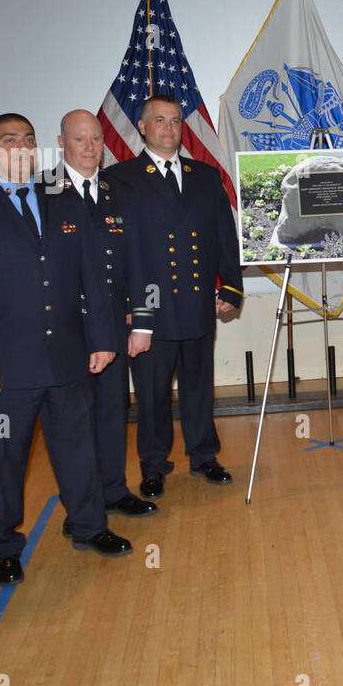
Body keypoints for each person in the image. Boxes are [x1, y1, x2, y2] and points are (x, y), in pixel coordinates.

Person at [0, 113, 129, 587]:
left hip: (69, 358)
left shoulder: (65, 202)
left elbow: (93, 275)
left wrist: (103, 339)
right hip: (4, 371)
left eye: (28, 139)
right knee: (4, 462)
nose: (21, 148)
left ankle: (90, 525)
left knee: (79, 452)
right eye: (9, 141)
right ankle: (4, 548)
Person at [102, 94, 244, 500]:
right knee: (152, 393)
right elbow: (118, 251)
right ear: (142, 127)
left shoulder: (204, 176)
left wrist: (231, 285)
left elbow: (223, 236)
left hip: (197, 302)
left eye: (176, 121)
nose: (169, 128)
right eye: (159, 121)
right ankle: (153, 464)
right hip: (150, 308)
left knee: (200, 386)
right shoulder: (121, 179)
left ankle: (204, 456)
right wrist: (130, 308)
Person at [46, 109, 156, 520]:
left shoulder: (119, 192)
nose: (90, 148)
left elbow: (141, 262)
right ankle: (83, 505)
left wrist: (142, 321)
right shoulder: (43, 194)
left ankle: (113, 489)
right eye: (79, 140)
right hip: (64, 331)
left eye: (95, 139)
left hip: (112, 327)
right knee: (72, 425)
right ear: (61, 144)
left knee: (113, 412)